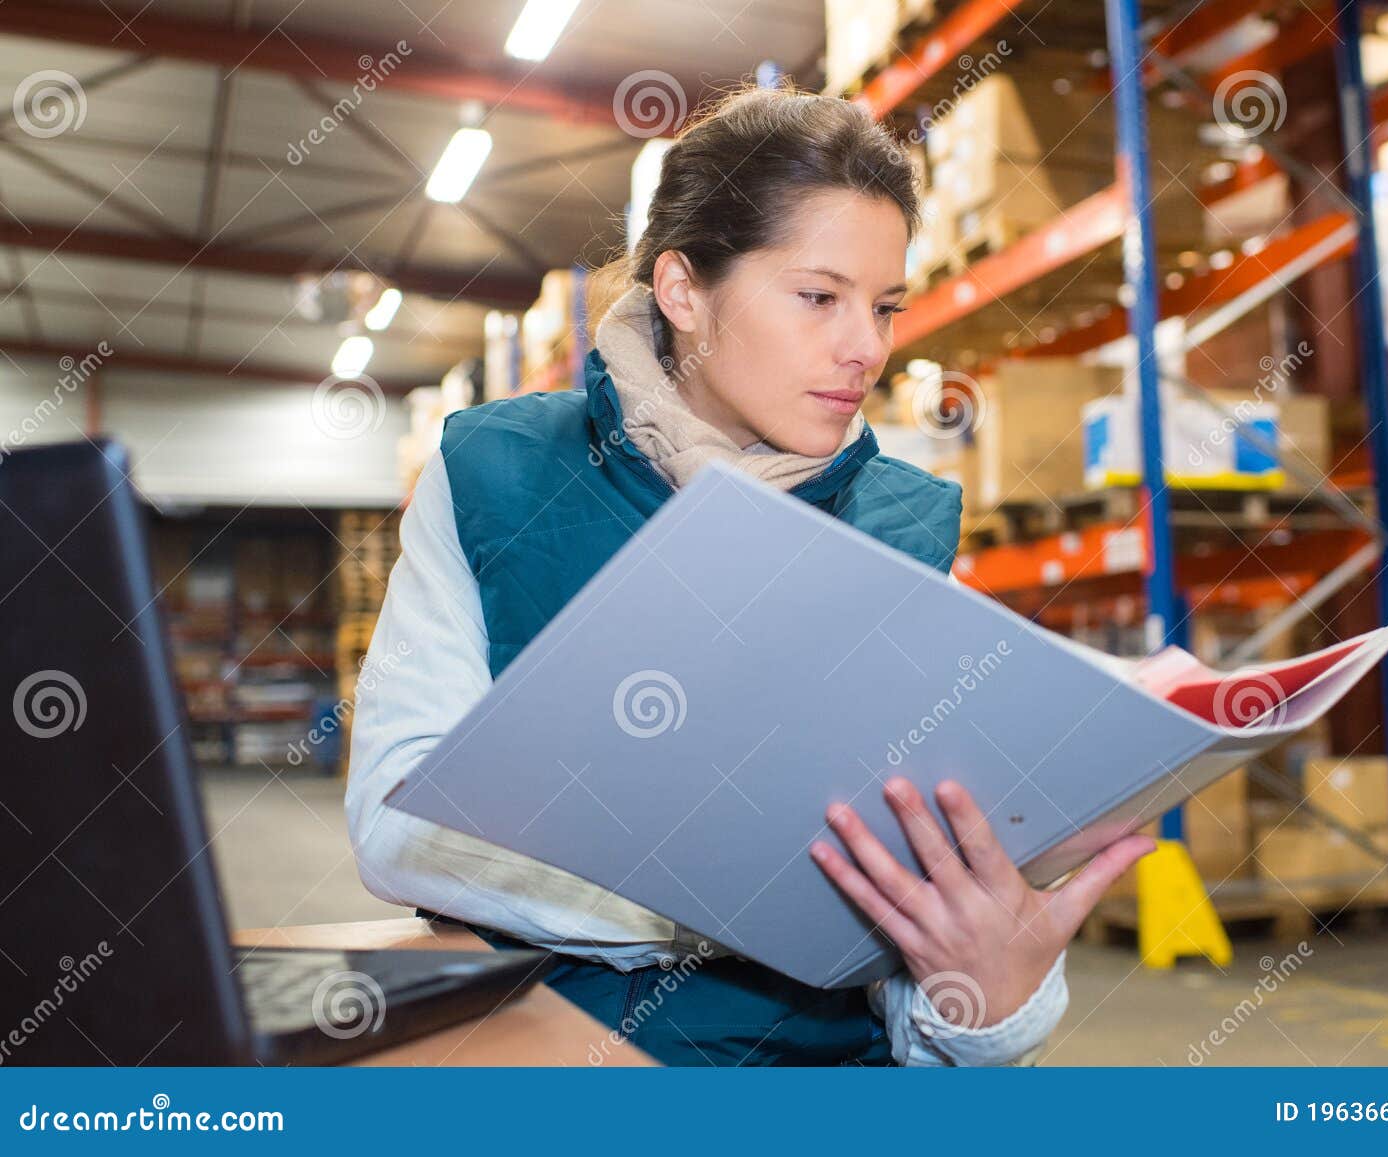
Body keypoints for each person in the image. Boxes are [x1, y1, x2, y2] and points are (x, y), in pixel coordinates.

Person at [345, 82, 1154, 1067]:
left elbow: (917, 996)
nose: (867, 347)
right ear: (684, 291)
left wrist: (991, 994)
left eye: (886, 306)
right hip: (547, 1044)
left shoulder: (902, 524)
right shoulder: (495, 474)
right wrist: (735, 907)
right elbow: (399, 817)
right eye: (819, 296)